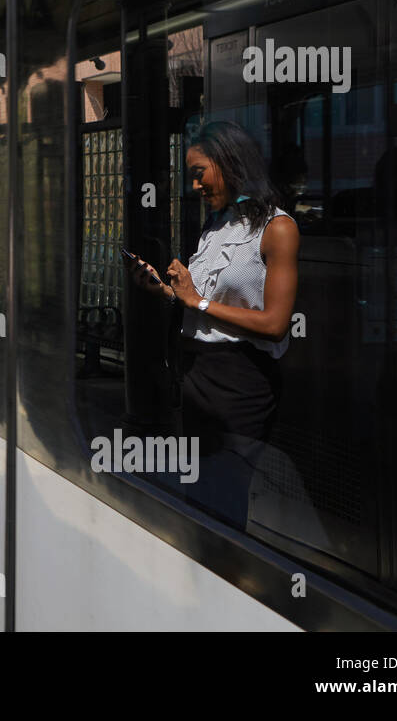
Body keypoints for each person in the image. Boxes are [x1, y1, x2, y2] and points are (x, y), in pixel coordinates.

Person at [130, 119, 299, 528]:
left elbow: (276, 324)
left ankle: (227, 575)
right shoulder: (217, 225)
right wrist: (167, 292)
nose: (195, 186)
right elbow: (200, 306)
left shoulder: (278, 229)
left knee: (223, 496)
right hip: (198, 373)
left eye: (198, 173)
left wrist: (196, 299)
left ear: (230, 162)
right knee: (199, 496)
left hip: (238, 380)